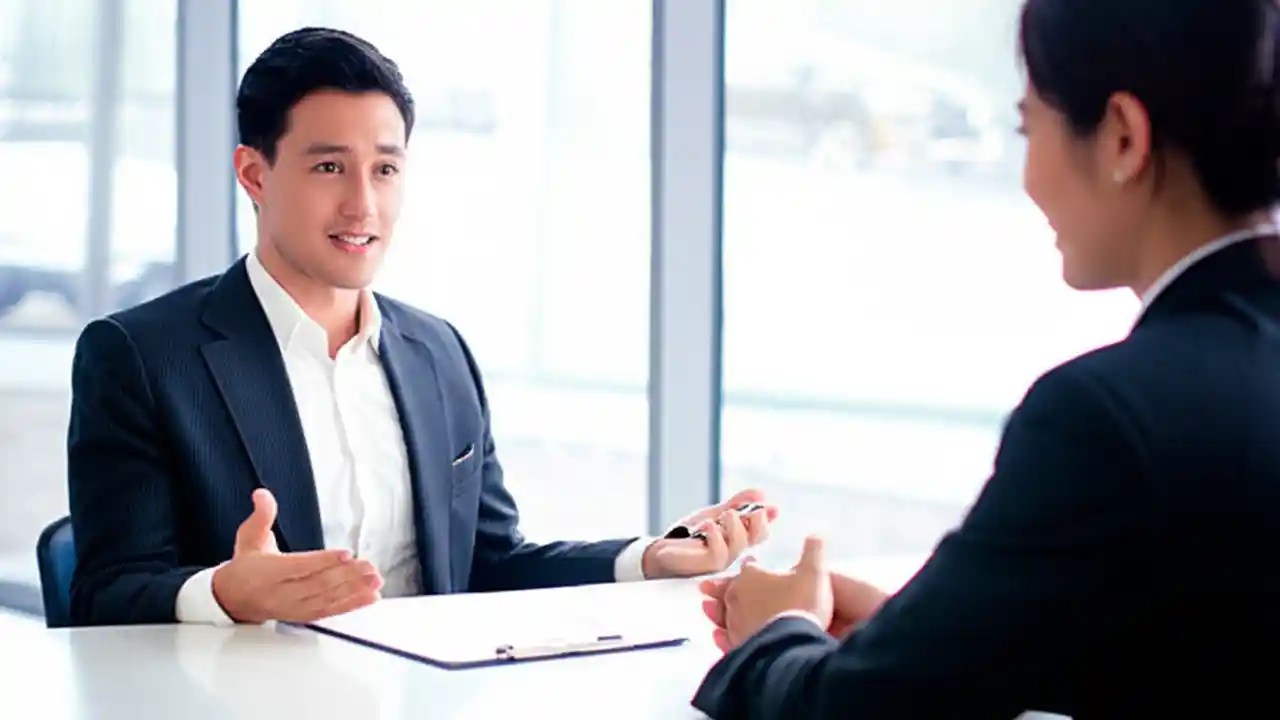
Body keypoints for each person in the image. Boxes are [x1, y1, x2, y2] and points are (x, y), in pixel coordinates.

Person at [66, 27, 775, 627]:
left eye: (385, 169)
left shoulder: (437, 353)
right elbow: (107, 591)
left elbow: (490, 562)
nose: (361, 204)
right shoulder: (141, 356)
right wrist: (223, 594)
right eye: (327, 167)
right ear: (254, 174)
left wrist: (651, 557)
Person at [693, 0, 1280, 716]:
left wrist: (774, 633)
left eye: (1028, 126)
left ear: (1123, 137)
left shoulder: (1107, 418)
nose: (1027, 176)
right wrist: (932, 638)